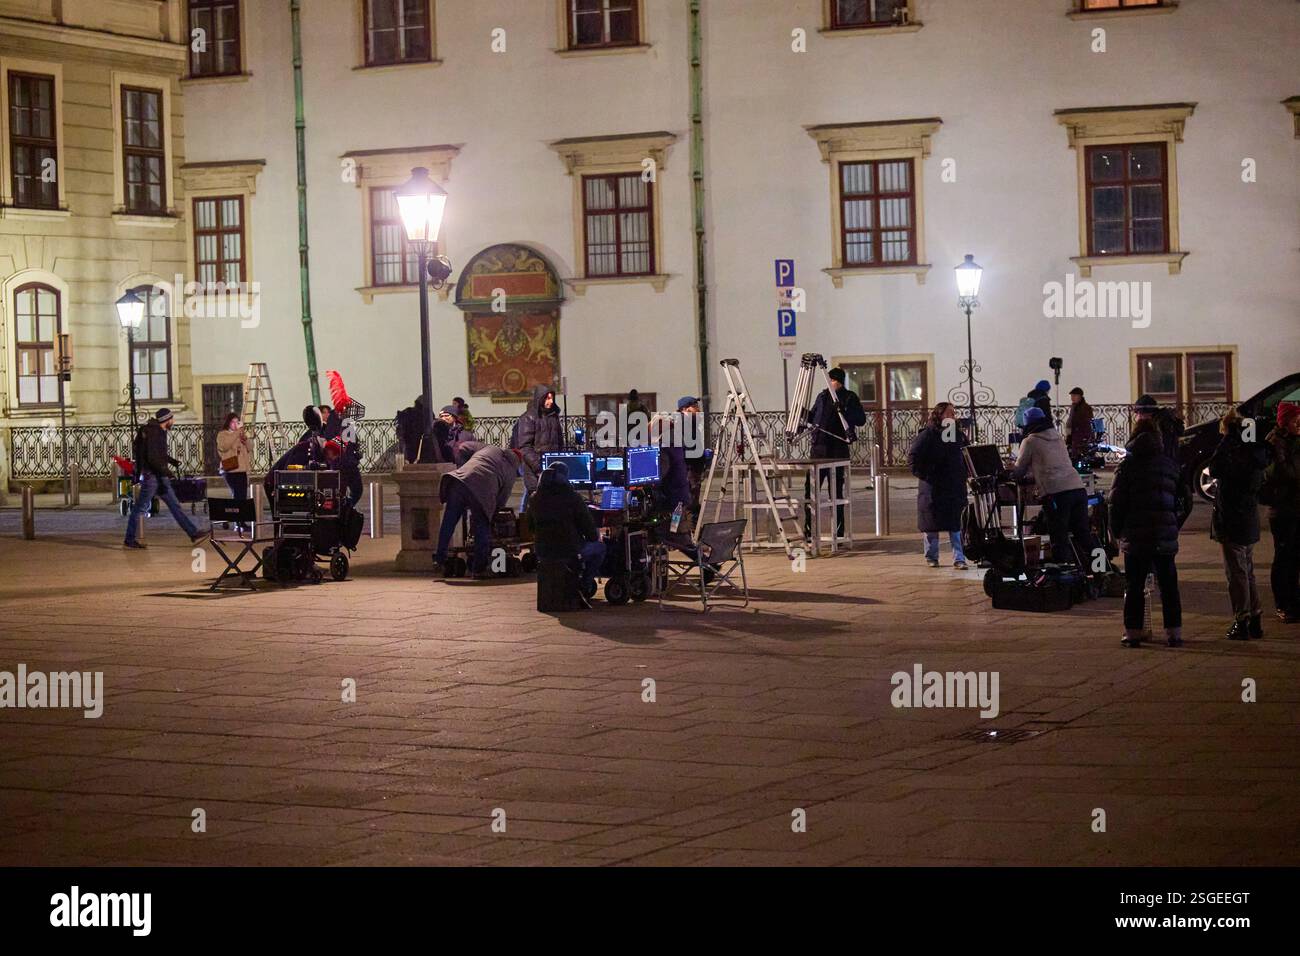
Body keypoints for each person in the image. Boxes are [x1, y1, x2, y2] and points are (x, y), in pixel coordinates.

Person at [1110, 417, 1183, 648]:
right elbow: (1185, 500)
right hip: (1164, 536)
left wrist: (1117, 531)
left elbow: (1116, 503)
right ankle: (1174, 633)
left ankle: (1133, 633)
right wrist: (1174, 523)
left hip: (1136, 536)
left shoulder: (1127, 466)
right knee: (1169, 584)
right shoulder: (1169, 464)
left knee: (1134, 585)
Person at [1209, 408, 1269, 640]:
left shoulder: (1232, 450)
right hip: (1248, 516)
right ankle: (1255, 618)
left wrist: (1226, 442)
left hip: (1232, 517)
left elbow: (1215, 468)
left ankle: (1241, 620)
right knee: (1248, 570)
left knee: (1236, 573)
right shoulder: (1254, 450)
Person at [1012, 406, 1091, 565]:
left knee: (1058, 534)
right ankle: (1101, 569)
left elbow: (1019, 470)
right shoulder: (1058, 437)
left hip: (1056, 493)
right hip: (1077, 488)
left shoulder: (1030, 441)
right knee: (1084, 534)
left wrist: (1009, 471)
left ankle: (1062, 572)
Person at [433, 441, 522, 579]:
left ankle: (439, 559)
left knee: (448, 522)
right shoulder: (511, 472)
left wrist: (465, 465)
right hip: (482, 492)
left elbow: (463, 447)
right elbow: (502, 498)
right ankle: (478, 570)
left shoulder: (491, 448)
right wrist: (493, 512)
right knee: (482, 527)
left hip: (459, 480)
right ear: (518, 463)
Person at [124, 408, 205, 550]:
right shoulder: (155, 433)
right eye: (171, 419)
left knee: (175, 506)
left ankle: (193, 533)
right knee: (140, 508)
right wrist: (167, 471)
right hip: (153, 477)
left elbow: (157, 454)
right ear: (166, 420)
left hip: (158, 476)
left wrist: (171, 461)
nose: (173, 421)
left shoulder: (157, 431)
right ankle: (129, 539)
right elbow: (153, 457)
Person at [528, 460, 606, 604]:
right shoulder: (573, 498)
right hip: (569, 550)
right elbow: (591, 533)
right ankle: (585, 585)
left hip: (543, 551)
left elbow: (530, 527)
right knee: (600, 548)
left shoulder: (534, 498)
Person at [802, 367, 865, 540]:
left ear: (838, 381)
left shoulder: (849, 397)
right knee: (810, 491)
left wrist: (844, 410)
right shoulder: (822, 396)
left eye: (833, 380)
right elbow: (814, 416)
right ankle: (808, 530)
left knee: (835, 493)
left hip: (837, 451)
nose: (830, 383)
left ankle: (838, 532)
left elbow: (861, 419)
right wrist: (802, 414)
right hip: (818, 451)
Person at [908, 402, 969, 570]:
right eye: (948, 413)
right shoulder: (928, 435)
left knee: (956, 524)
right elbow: (914, 458)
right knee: (931, 524)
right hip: (933, 488)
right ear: (939, 415)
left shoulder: (957, 435)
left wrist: (964, 474)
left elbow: (966, 454)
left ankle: (959, 558)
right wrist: (927, 475)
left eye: (953, 413)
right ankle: (932, 556)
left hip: (954, 487)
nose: (952, 417)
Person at [1263, 401, 1300, 624]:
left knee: (1295, 557)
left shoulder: (1294, 441)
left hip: (1296, 507)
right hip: (1282, 510)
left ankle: (1294, 600)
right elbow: (1284, 472)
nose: (1299, 424)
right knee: (1284, 558)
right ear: (1284, 422)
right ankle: (1283, 604)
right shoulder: (1274, 442)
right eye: (1296, 421)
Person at [514, 384, 563, 510]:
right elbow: (525, 447)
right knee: (538, 507)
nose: (550, 401)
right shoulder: (528, 418)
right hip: (534, 471)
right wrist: (539, 467)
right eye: (547, 398)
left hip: (552, 470)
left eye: (552, 398)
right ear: (540, 399)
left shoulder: (553, 417)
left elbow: (559, 443)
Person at [1063, 387, 1095, 461]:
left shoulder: (1085, 408)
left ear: (1080, 396)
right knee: (1074, 456)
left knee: (1080, 456)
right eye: (1071, 396)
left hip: (1082, 437)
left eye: (1074, 396)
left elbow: (1087, 423)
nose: (1072, 398)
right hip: (1074, 436)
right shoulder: (1074, 407)